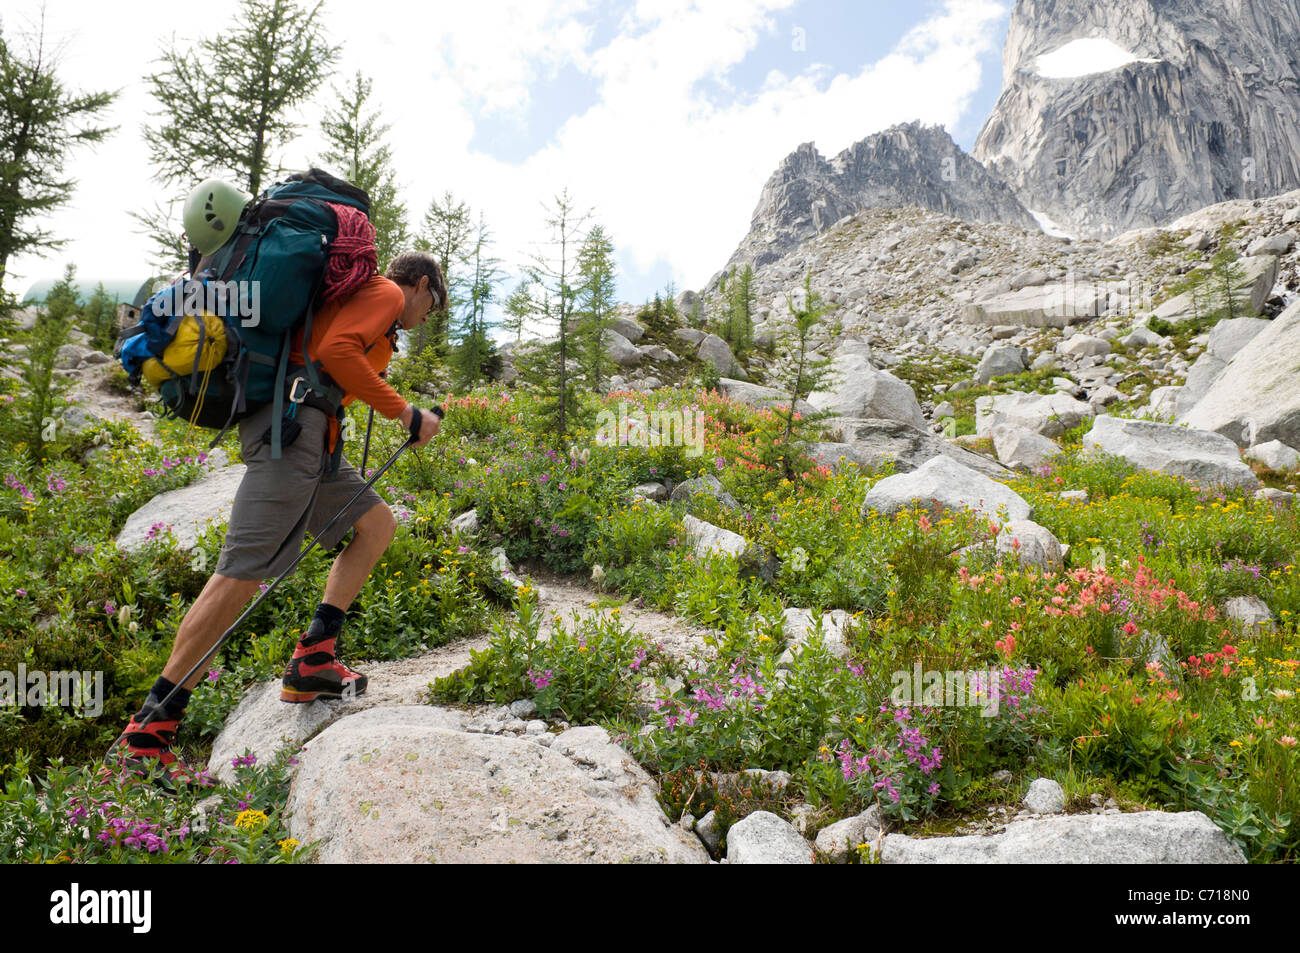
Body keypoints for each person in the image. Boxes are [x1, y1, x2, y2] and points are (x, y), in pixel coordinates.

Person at [105, 249, 448, 789]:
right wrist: (407, 413)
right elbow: (336, 352)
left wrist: (402, 406)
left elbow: (339, 363)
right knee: (240, 573)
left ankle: (314, 656)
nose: (426, 316)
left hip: (312, 439)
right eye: (432, 305)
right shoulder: (384, 292)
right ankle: (145, 738)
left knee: (377, 524)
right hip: (292, 434)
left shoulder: (364, 308)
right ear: (422, 284)